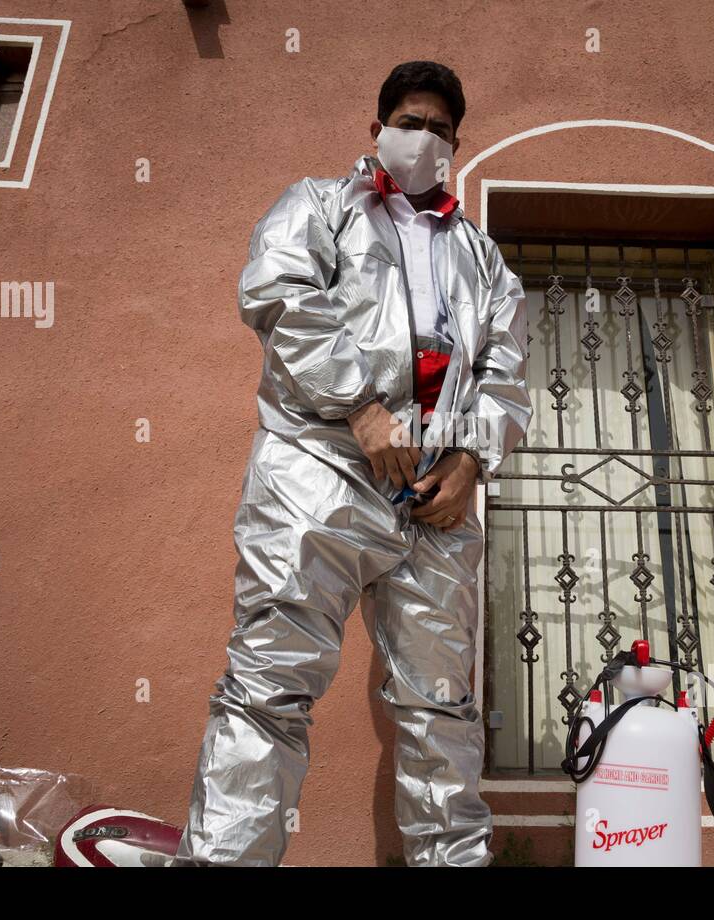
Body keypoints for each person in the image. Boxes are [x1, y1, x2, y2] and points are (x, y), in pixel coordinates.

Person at [176, 61, 531, 867]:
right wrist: (363, 409)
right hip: (320, 467)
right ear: (378, 132)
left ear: (455, 146)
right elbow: (281, 297)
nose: (425, 139)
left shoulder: (482, 257)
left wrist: (472, 461)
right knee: (270, 689)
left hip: (435, 505)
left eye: (441, 130)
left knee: (442, 711)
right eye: (412, 122)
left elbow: (506, 371)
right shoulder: (318, 206)